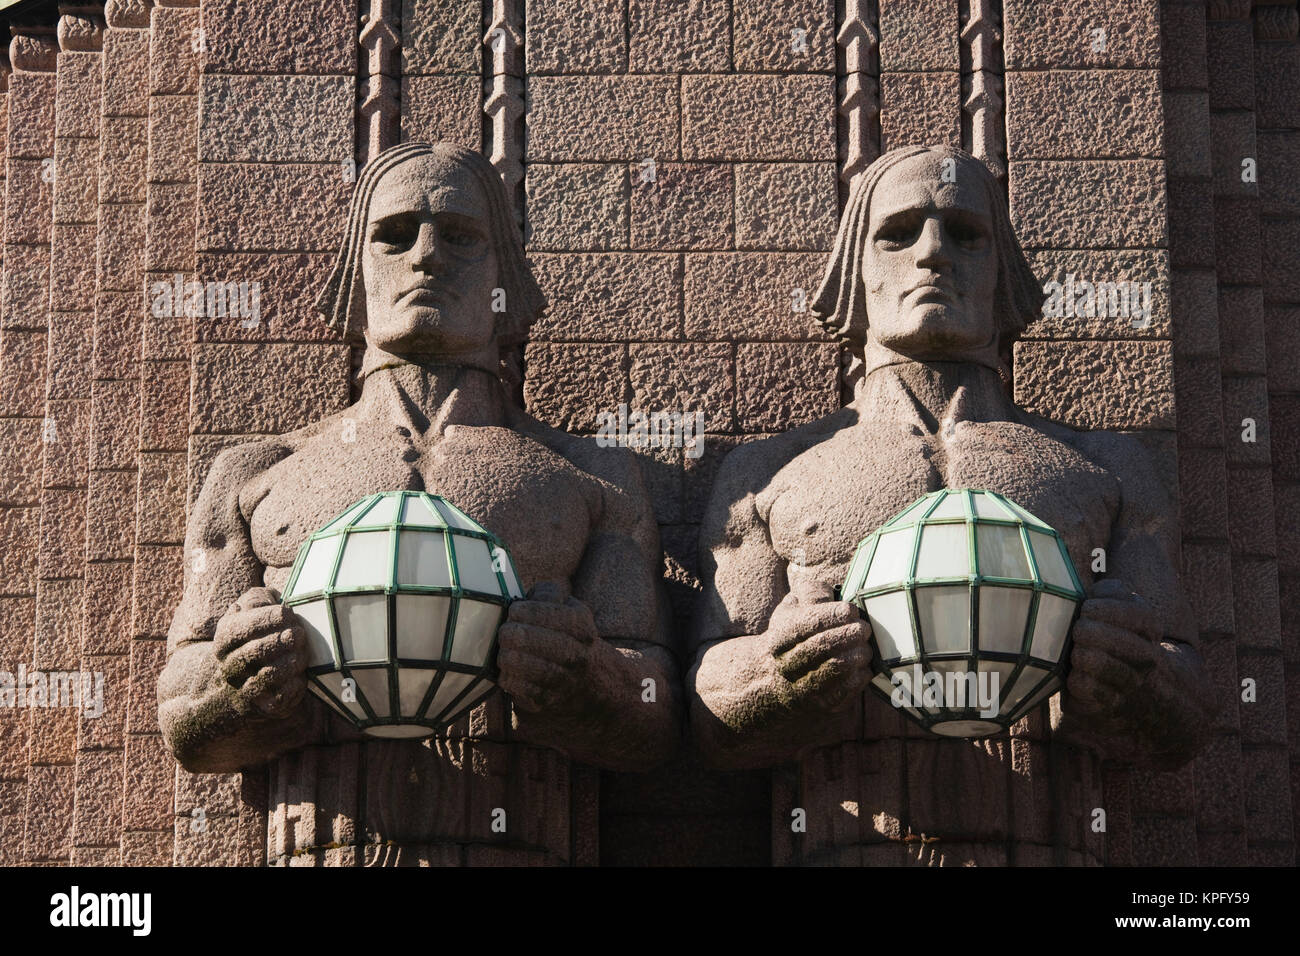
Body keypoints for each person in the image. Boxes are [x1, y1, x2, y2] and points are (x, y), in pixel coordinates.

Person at [688, 145, 1214, 865]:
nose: (932, 253)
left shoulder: (1107, 465)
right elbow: (703, 704)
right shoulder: (768, 470)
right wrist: (776, 678)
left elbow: (1188, 709)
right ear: (857, 270)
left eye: (966, 233)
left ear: (1002, 271)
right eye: (899, 232)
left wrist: (1135, 677)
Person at [158, 142, 678, 865]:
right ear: (356, 268)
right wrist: (235, 683)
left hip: (525, 837)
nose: (426, 256)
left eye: (460, 236)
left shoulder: (591, 477)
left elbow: (657, 713)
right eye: (395, 234)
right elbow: (181, 713)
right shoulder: (258, 472)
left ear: (506, 274)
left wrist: (590, 678)